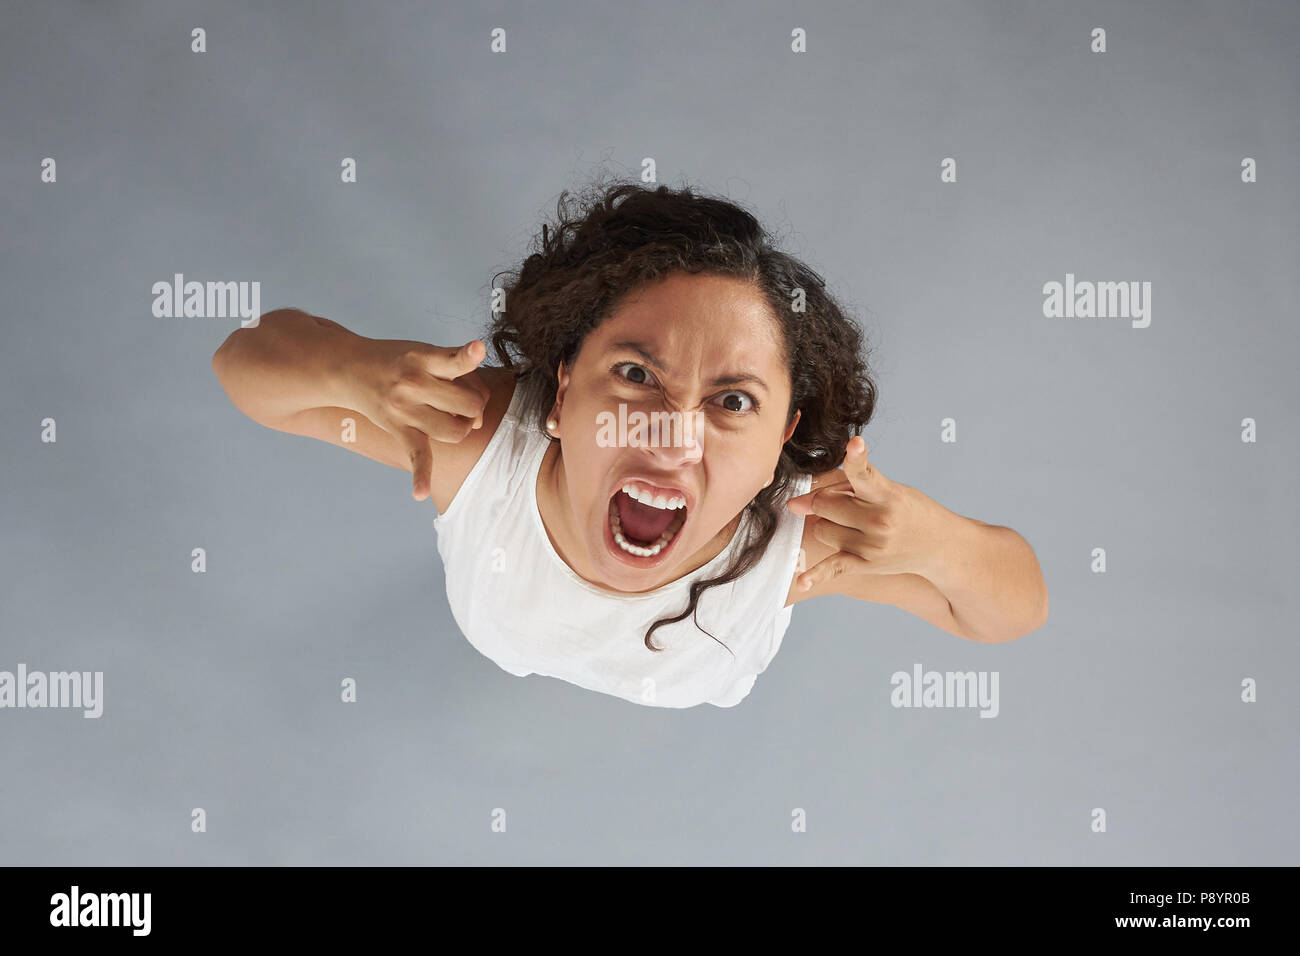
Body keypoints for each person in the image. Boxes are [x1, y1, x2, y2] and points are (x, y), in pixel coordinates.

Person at [212, 179, 1048, 708]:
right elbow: (247, 364)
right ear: (566, 383)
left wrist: (933, 538)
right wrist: (353, 367)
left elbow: (1006, 613)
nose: (673, 437)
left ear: (781, 444)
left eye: (732, 400)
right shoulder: (478, 442)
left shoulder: (793, 542)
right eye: (638, 376)